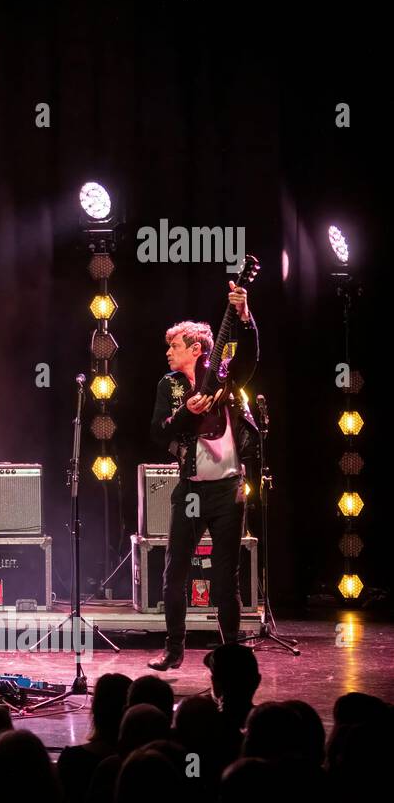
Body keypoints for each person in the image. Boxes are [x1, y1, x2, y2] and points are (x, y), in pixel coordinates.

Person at [148, 283, 259, 671]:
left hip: (228, 489)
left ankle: (230, 655)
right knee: (174, 571)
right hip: (192, 490)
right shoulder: (170, 385)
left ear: (196, 348)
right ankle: (174, 650)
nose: (168, 352)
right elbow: (158, 432)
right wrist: (186, 413)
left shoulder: (228, 377)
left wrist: (244, 316)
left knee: (226, 580)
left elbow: (250, 354)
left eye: (174, 346)